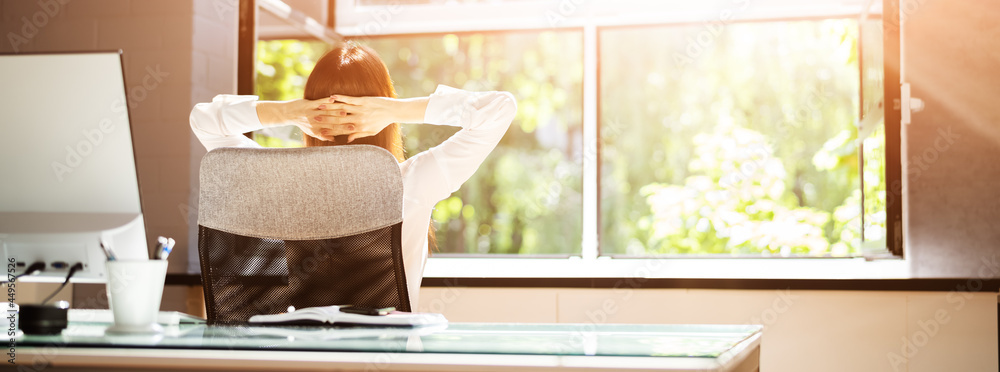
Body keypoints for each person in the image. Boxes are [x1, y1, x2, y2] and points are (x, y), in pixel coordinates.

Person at [189, 42, 516, 309]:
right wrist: (393, 110)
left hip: (298, 358)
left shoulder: (276, 184)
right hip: (389, 359)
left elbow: (204, 120)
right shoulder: (410, 184)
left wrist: (289, 112)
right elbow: (498, 109)